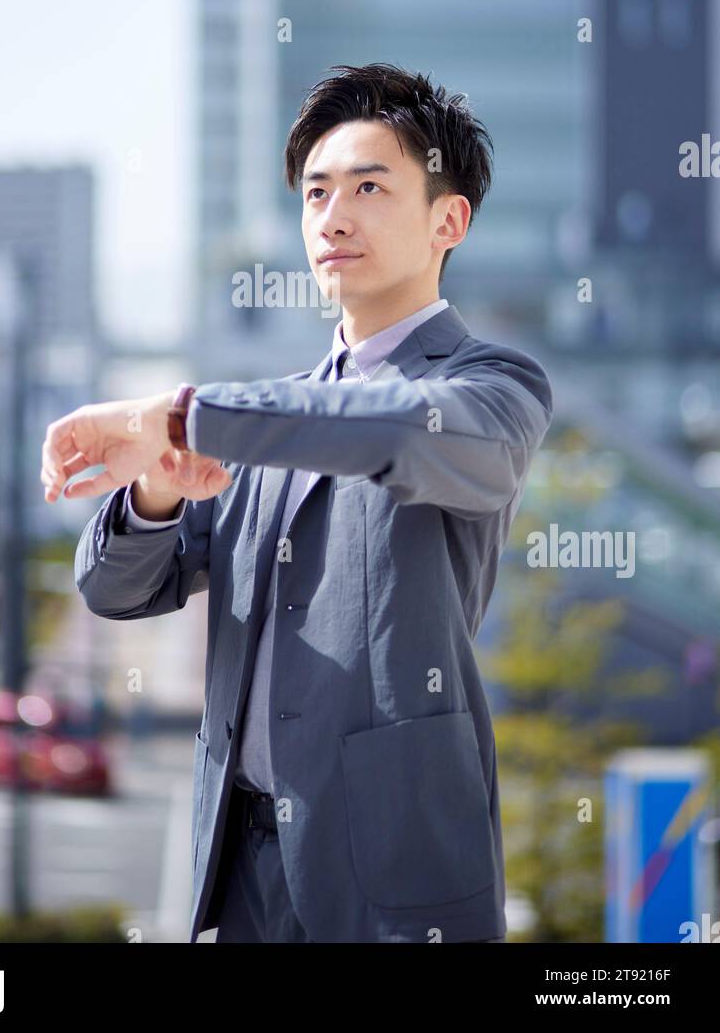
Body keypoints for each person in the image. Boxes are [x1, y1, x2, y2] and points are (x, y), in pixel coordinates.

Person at [40, 62, 553, 943]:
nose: (333, 217)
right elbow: (111, 589)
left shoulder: (492, 384)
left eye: (367, 186)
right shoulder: (257, 418)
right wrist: (160, 482)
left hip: (391, 873)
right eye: (316, 193)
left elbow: (400, 432)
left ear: (448, 220)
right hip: (238, 872)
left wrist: (178, 416)